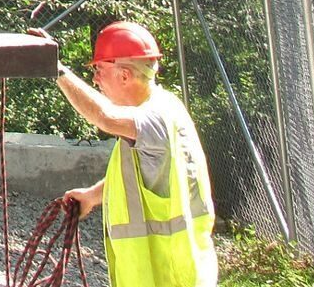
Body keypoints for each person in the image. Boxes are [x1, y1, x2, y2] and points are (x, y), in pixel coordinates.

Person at [51, 21, 217, 287]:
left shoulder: (153, 119)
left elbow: (104, 117)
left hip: (168, 277)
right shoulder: (164, 108)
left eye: (99, 69)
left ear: (124, 75)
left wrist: (56, 70)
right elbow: (140, 183)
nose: (95, 78)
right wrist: (92, 196)